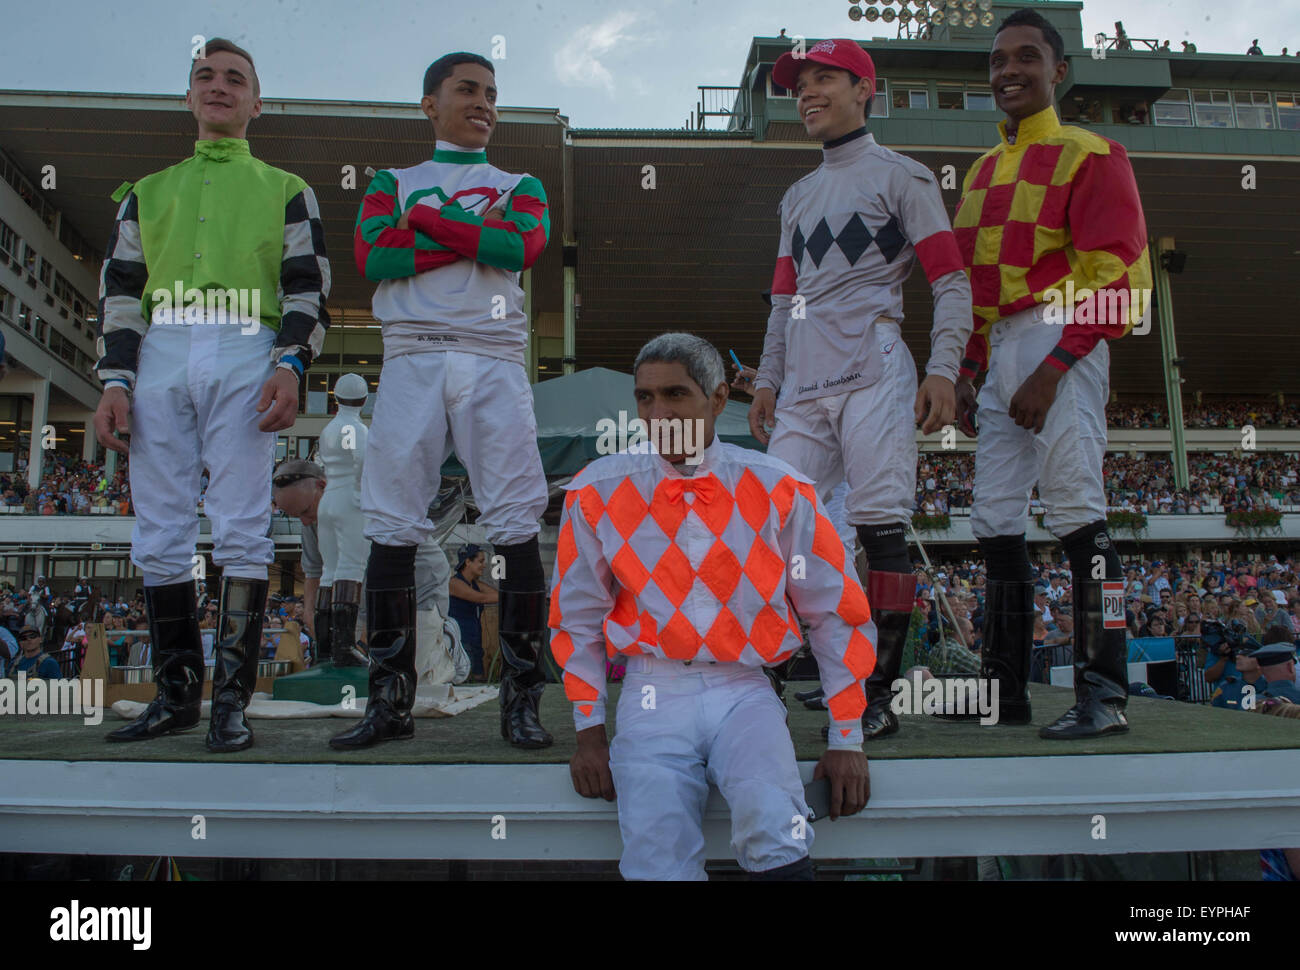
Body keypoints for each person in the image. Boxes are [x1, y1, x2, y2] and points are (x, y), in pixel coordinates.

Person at [554, 333, 873, 880]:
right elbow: (575, 618)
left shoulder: (782, 487)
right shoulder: (595, 490)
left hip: (745, 689)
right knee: (655, 853)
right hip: (650, 691)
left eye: (675, 394)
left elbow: (834, 611)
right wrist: (589, 732)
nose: (657, 413)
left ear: (719, 399)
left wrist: (848, 737)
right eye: (645, 398)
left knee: (777, 827)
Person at [95, 39, 331, 752]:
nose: (219, 86)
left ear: (257, 103)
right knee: (160, 524)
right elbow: (120, 292)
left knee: (239, 523)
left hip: (245, 344)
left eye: (235, 79)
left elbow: (307, 285)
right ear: (188, 97)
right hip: (162, 346)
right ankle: (175, 697)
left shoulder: (286, 186)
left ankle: (230, 700)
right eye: (206, 77)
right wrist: (114, 379)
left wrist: (290, 362)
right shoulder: (147, 189)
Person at [752, 38, 972, 741]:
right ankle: (768, 679)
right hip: (806, 382)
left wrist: (944, 366)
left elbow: (950, 280)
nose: (807, 92)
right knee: (774, 527)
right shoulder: (797, 195)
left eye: (823, 79)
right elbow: (784, 301)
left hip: (875, 366)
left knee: (880, 529)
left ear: (864, 88)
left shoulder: (903, 177)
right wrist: (766, 380)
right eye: (798, 84)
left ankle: (877, 691)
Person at [947, 9, 1152, 739]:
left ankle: (1105, 694)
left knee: (1077, 511)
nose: (1008, 71)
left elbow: (1121, 277)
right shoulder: (978, 172)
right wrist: (971, 371)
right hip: (1003, 348)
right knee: (995, 520)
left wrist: (1053, 368)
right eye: (998, 61)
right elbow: (975, 288)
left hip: (1058, 338)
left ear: (1058, 71)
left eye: (1026, 58)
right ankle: (1005, 691)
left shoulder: (1093, 152)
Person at [342, 51, 551, 751]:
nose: (484, 101)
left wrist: (426, 225)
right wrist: (473, 243)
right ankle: (390, 704)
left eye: (493, 92)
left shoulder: (520, 180)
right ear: (430, 103)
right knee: (392, 520)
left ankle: (522, 704)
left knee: (517, 516)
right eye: (467, 89)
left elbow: (520, 247)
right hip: (412, 352)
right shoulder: (391, 180)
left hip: (493, 355)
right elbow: (375, 259)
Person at [311, 373, 371, 667]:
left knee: (328, 571)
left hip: (329, 497)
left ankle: (323, 649)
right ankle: (343, 647)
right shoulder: (357, 429)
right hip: (349, 498)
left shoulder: (328, 429)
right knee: (350, 568)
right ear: (364, 400)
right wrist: (361, 491)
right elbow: (362, 461)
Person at [448, 544, 497, 679]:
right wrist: (512, 595)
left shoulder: (476, 584)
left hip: (475, 640)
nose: (484, 565)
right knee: (463, 679)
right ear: (468, 562)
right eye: (480, 561)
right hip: (461, 642)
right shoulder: (454, 583)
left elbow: (496, 595)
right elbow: (481, 598)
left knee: (478, 677)